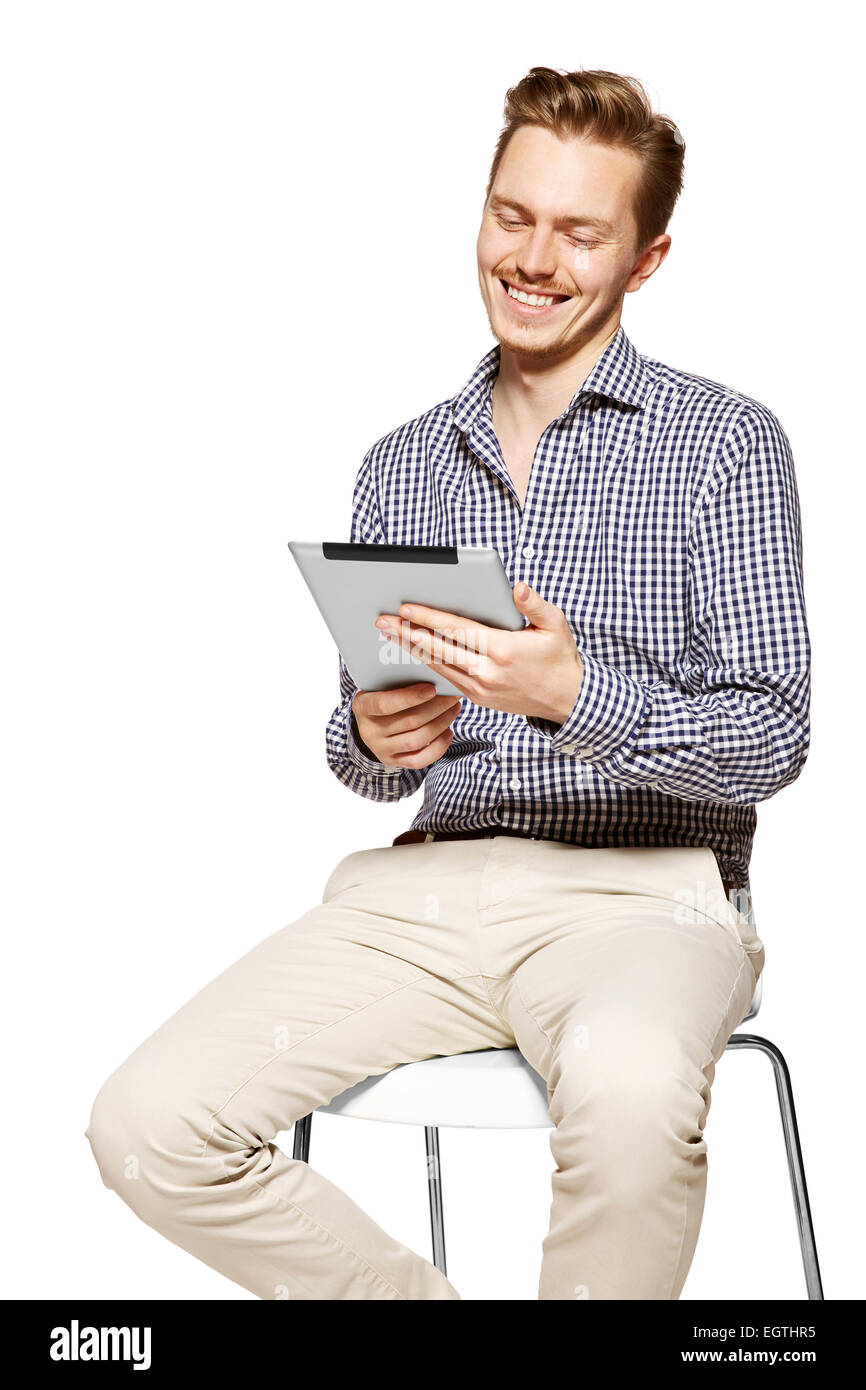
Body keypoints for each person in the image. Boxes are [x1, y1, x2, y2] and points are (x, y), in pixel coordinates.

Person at [86, 66, 810, 1300]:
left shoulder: (724, 444)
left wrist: (573, 697)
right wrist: (374, 730)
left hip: (644, 895)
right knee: (146, 1123)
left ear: (644, 260)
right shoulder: (403, 461)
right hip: (426, 891)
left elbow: (770, 736)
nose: (531, 258)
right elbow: (358, 756)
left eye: (579, 232)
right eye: (509, 216)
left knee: (632, 1108)